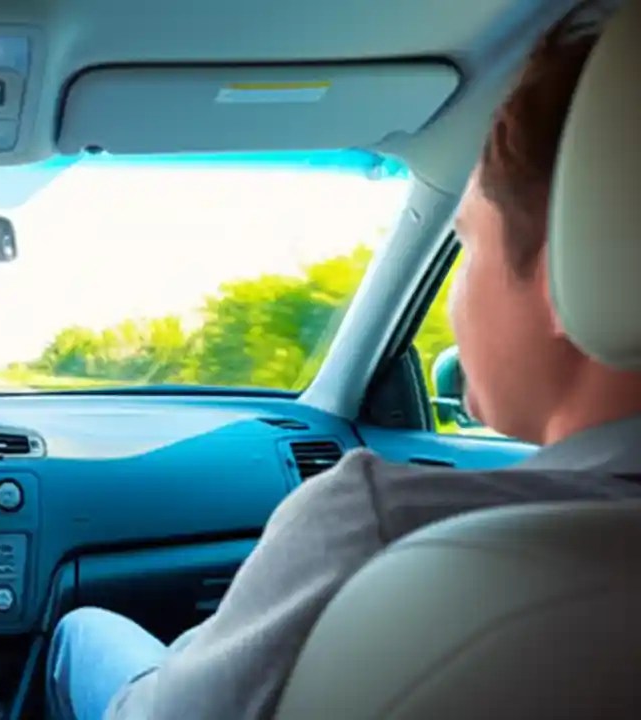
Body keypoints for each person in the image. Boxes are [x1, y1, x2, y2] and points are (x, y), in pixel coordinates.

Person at [46, 4, 641, 719]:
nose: (455, 296)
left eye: (467, 246)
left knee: (83, 633)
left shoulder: (376, 520)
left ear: (562, 274)